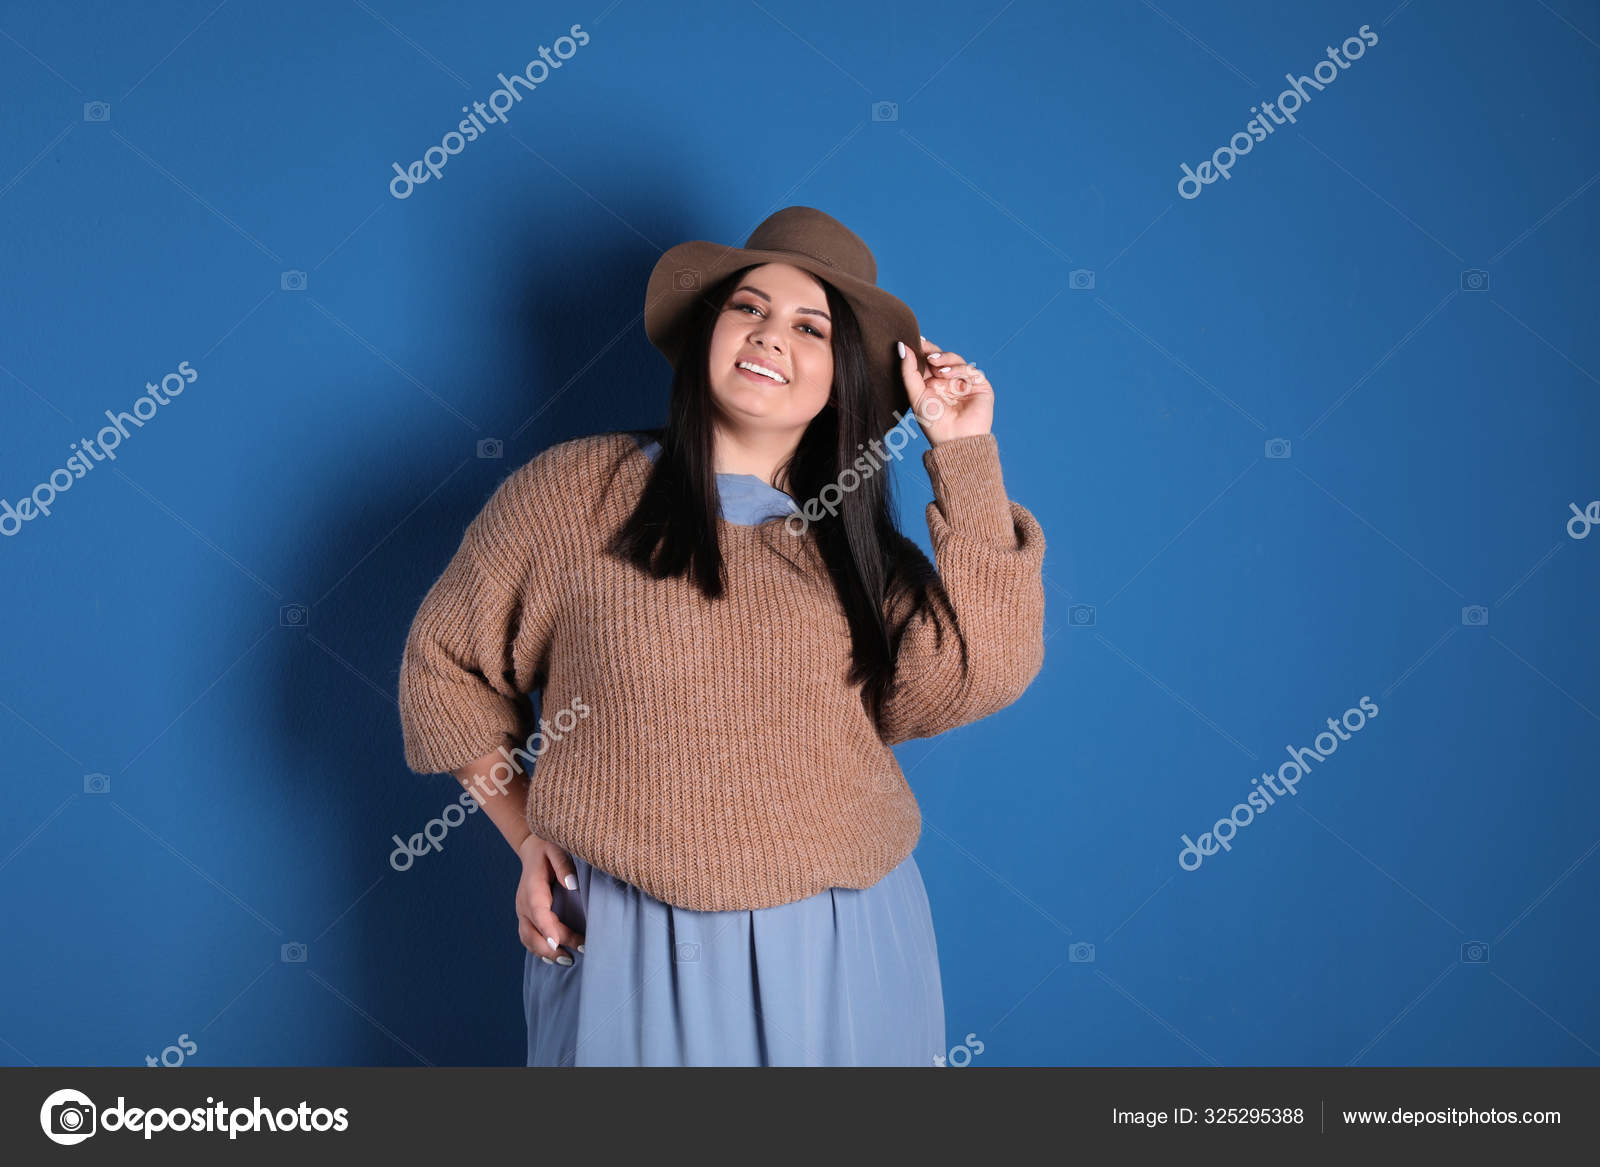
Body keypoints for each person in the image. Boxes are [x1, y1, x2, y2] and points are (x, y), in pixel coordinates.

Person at [396, 206, 1047, 1066]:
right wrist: (528, 837)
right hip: (626, 945)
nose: (771, 334)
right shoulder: (573, 494)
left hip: (842, 946)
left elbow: (987, 666)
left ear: (841, 378)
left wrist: (965, 452)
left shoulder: (857, 552)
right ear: (710, 330)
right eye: (749, 307)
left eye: (811, 327)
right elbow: (444, 670)